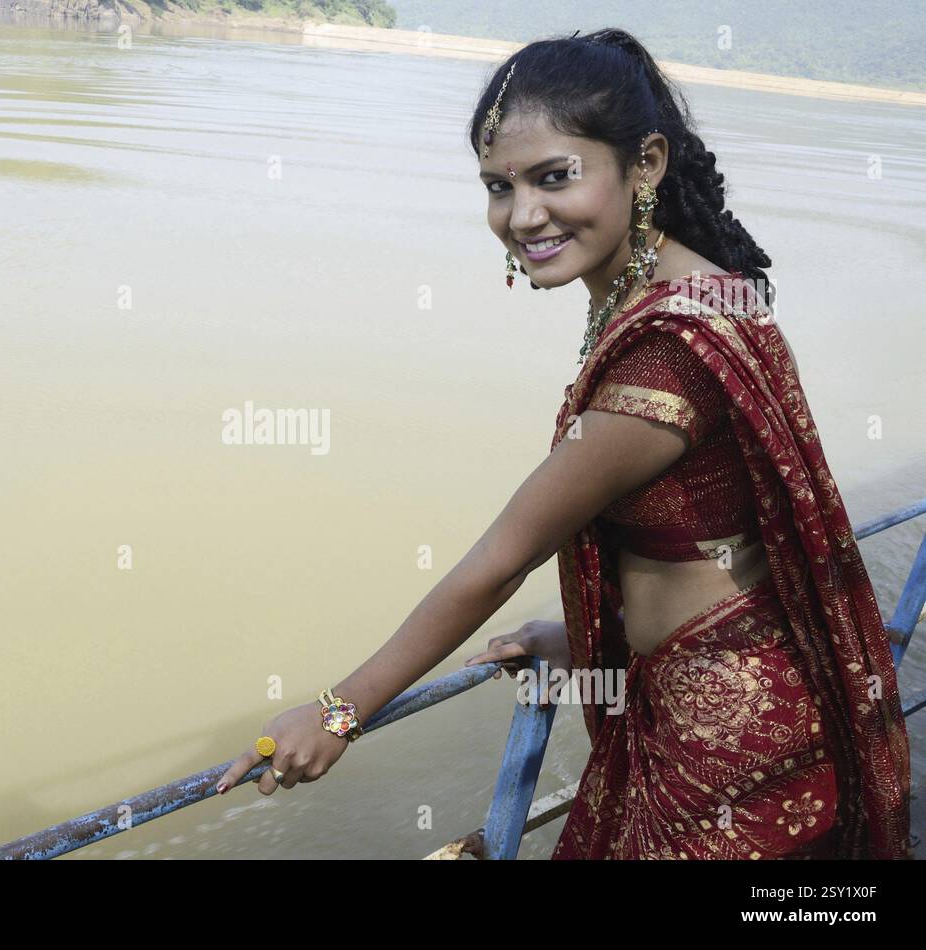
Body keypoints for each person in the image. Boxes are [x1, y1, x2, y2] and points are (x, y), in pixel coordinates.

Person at [215, 28, 912, 859]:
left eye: (554, 177)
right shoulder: (711, 289)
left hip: (725, 757)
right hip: (742, 704)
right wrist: (591, 637)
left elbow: (500, 561)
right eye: (497, 186)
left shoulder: (668, 351)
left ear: (644, 165)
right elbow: (714, 535)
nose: (521, 215)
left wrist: (339, 710)